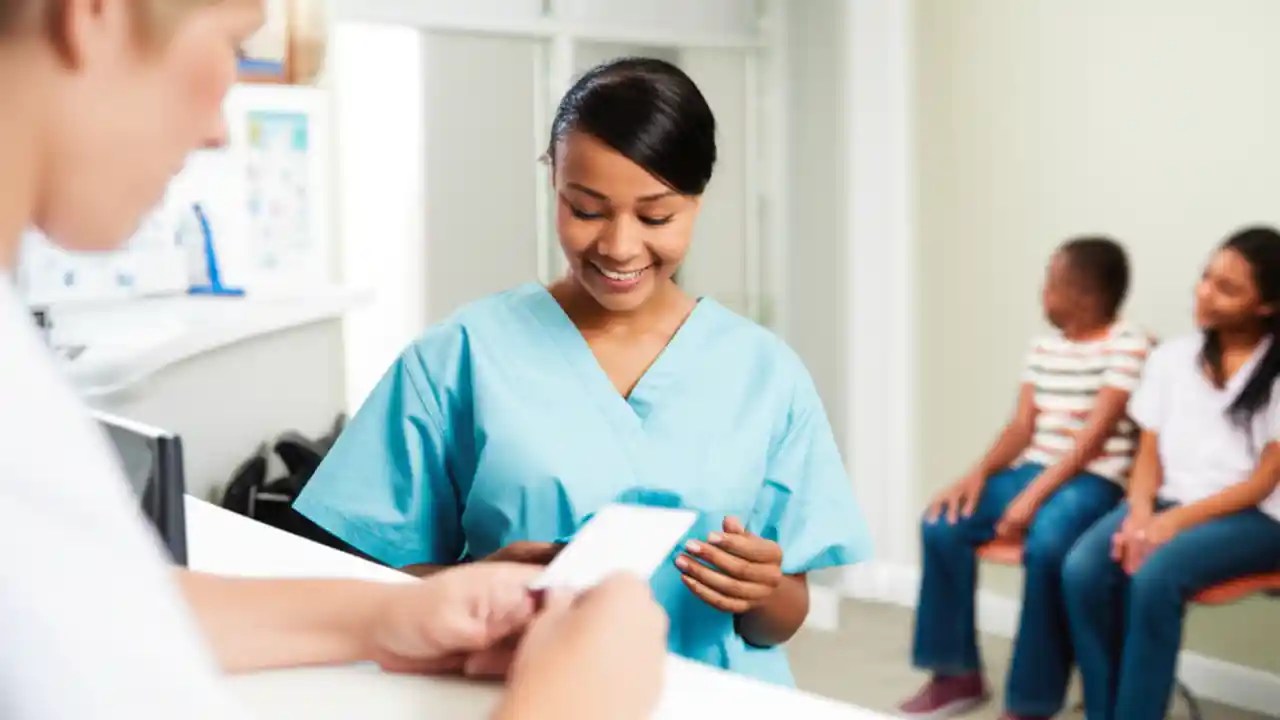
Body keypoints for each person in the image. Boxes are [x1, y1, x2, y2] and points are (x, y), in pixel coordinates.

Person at [0, 2, 666, 719]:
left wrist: (382, 616)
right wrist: (581, 696)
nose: (220, 130)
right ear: (95, 13)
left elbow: (77, 597)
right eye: (230, 41)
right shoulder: (459, 350)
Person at [293, 56, 871, 686]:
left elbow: (779, 620)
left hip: (713, 699)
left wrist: (761, 589)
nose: (620, 247)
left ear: (697, 201)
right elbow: (363, 587)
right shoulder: (460, 355)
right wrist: (476, 580)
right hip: (521, 690)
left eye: (656, 217)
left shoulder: (765, 373)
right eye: (587, 209)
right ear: (554, 182)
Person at [899, 237, 1154, 720]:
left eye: (1050, 283)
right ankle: (955, 675)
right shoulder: (1043, 348)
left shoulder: (1130, 344)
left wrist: (1031, 500)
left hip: (1094, 480)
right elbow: (1021, 428)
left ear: (1081, 293)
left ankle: (1030, 703)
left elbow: (1092, 439)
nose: (1042, 294)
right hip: (1033, 471)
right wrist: (973, 476)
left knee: (1049, 544)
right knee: (941, 522)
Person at [1063, 227, 1280, 720]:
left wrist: (1170, 526)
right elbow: (1148, 454)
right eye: (1206, 277)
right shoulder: (1172, 359)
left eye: (1227, 288)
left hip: (1259, 518)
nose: (1204, 292)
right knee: (1082, 570)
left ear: (1267, 305)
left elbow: (1263, 482)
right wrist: (1140, 515)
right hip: (1169, 501)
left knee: (1156, 576)